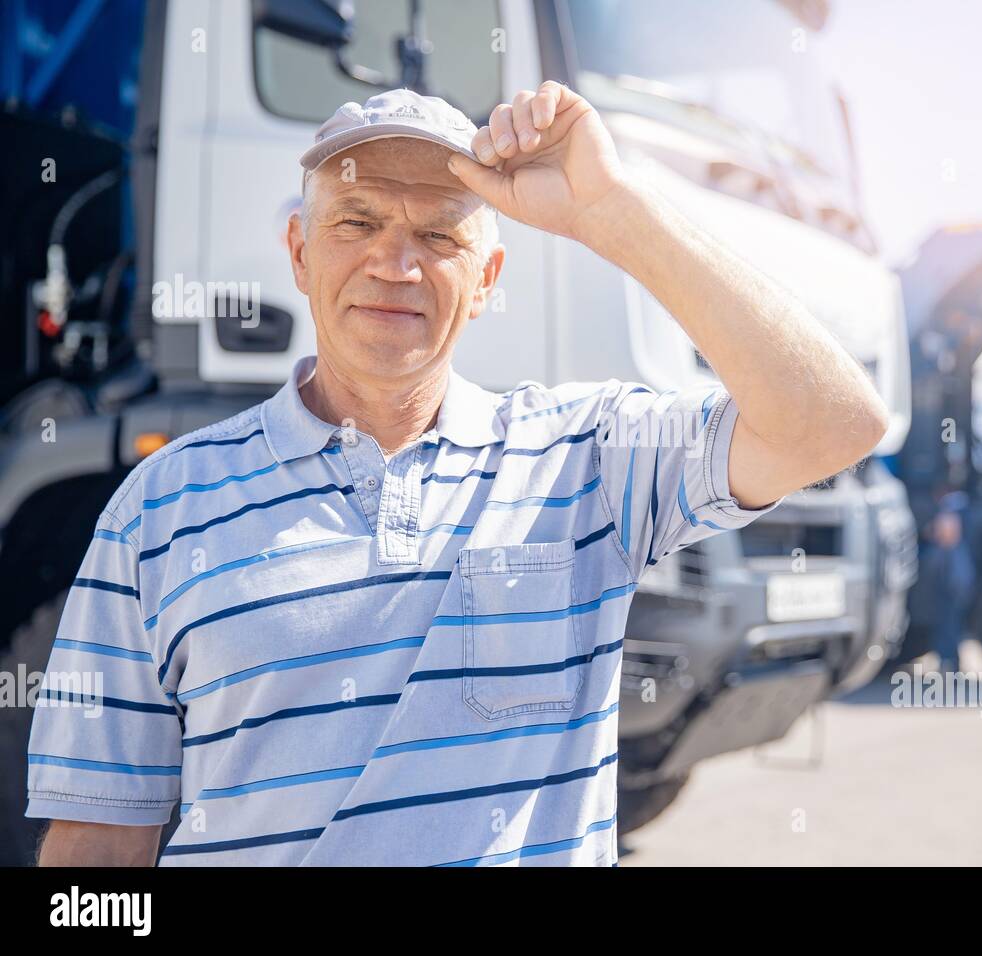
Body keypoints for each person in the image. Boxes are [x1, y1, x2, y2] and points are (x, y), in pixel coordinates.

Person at [27, 85, 889, 865]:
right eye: (356, 222)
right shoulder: (160, 508)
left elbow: (836, 424)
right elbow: (99, 842)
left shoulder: (587, 460)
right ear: (298, 252)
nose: (394, 265)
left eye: (439, 234)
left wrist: (615, 210)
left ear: (487, 279)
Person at [921, 492, 976, 673]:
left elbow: (947, 535)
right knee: (951, 621)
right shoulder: (960, 505)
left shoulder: (951, 506)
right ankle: (951, 662)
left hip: (950, 579)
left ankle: (948, 663)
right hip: (955, 578)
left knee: (947, 620)